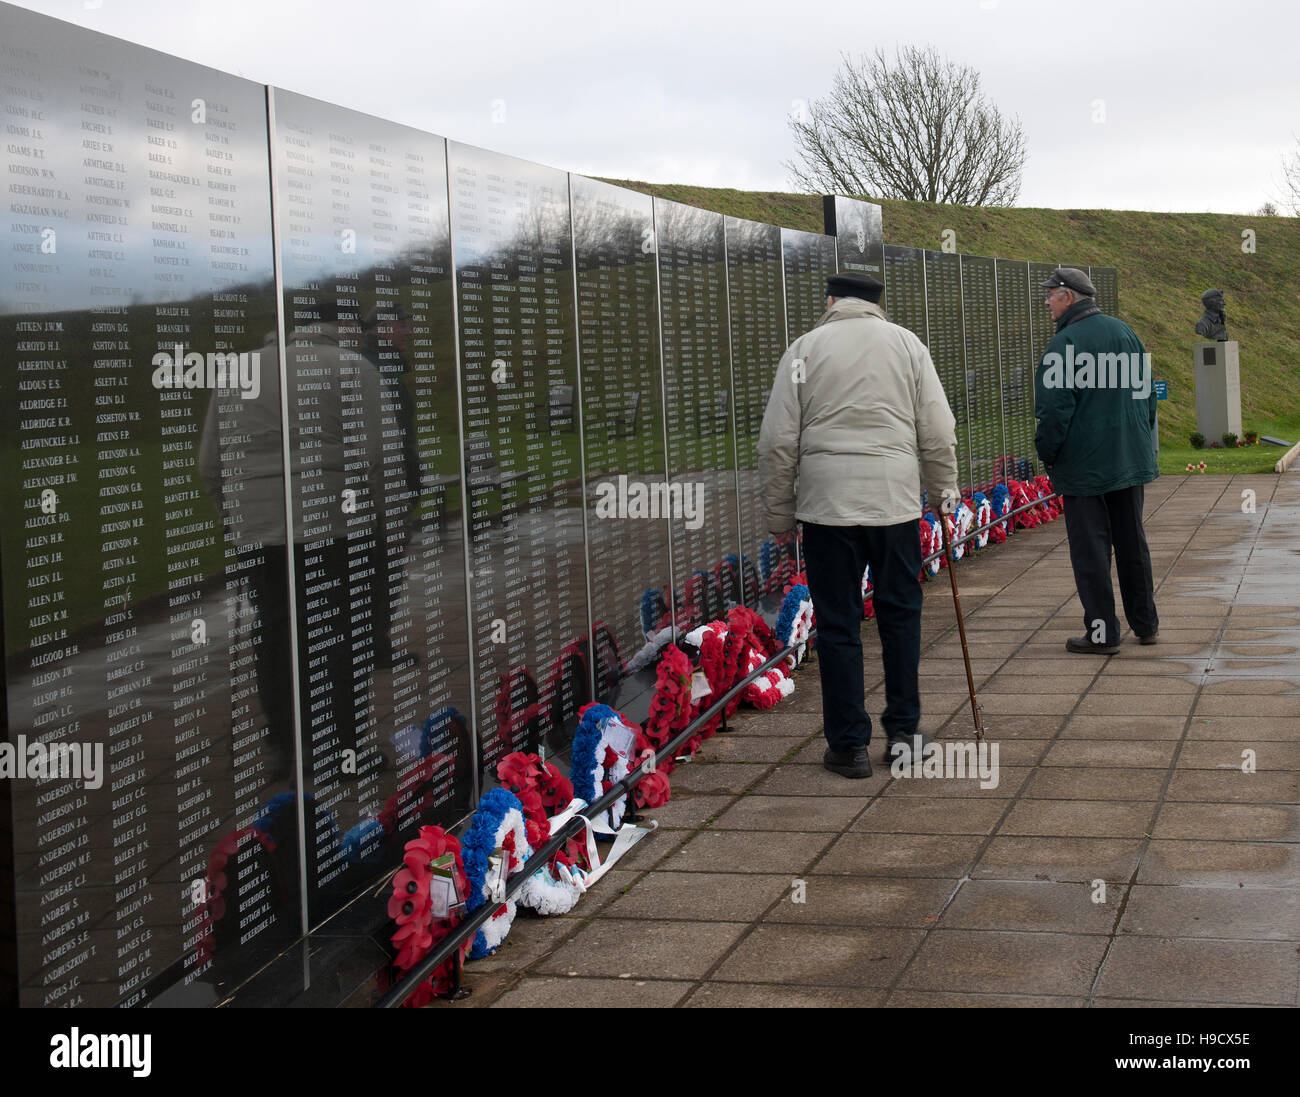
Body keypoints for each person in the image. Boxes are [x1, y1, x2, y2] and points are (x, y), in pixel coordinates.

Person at [758, 271, 959, 779]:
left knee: (838, 621)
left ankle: (848, 745)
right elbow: (937, 428)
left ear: (831, 300)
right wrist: (944, 494)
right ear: (877, 305)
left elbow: (779, 439)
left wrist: (780, 514)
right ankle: (905, 733)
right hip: (893, 503)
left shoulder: (804, 350)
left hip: (827, 507)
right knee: (900, 615)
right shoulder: (908, 346)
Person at [1033, 268, 1159, 655]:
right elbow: (1148, 397)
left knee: (1091, 552)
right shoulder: (1125, 333)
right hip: (1128, 460)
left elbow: (1054, 412)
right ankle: (1146, 623)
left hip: (1086, 467)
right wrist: (1138, 444)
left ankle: (1102, 634)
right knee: (1132, 544)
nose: (1047, 300)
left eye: (1051, 294)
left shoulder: (1065, 343)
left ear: (1069, 296)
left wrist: (1048, 453)